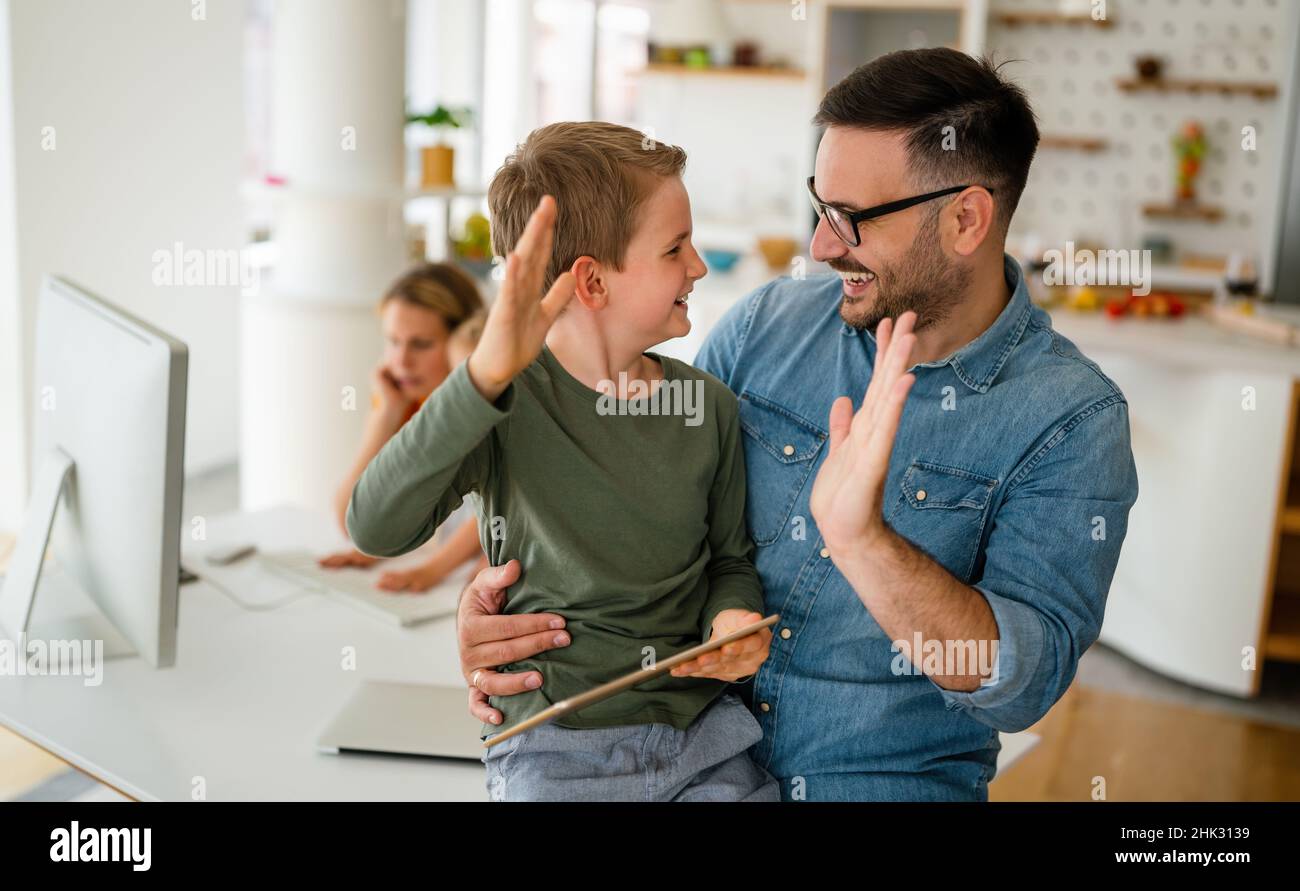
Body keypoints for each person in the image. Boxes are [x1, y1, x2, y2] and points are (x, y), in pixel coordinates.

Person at [455, 49, 1139, 801]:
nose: (820, 245)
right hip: (677, 760)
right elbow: (627, 488)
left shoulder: (1073, 419)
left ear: (966, 219)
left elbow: (1022, 685)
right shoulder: (762, 328)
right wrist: (496, 600)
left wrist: (864, 543)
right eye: (820, 207)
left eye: (851, 219)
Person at [346, 122, 779, 801]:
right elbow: (374, 524)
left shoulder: (710, 409)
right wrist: (481, 375)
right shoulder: (505, 403)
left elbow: (729, 561)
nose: (697, 265)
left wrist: (734, 619)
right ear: (593, 282)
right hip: (555, 749)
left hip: (703, 737)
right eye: (674, 248)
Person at [319, 263, 487, 592]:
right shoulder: (406, 400)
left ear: (461, 341)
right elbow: (348, 520)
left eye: (421, 344)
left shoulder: (488, 404)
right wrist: (385, 418)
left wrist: (430, 571)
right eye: (393, 342)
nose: (401, 361)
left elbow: (494, 513)